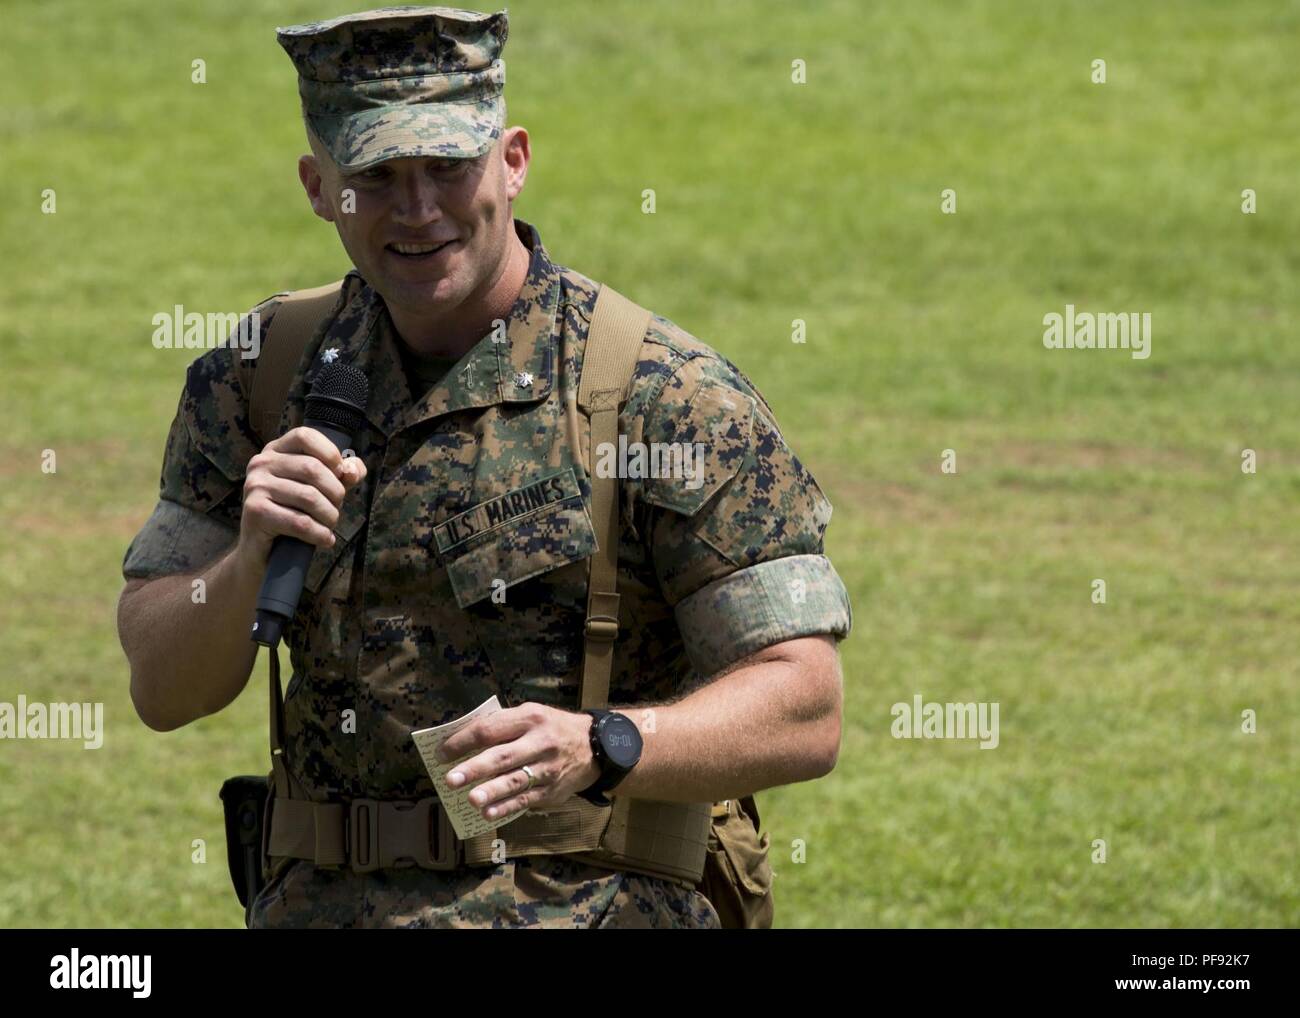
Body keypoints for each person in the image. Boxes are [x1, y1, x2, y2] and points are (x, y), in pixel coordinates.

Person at [116, 5, 852, 929]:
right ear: (319, 187)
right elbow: (161, 685)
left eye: (448, 168)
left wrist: (607, 741)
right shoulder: (263, 376)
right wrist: (246, 563)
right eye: (377, 176)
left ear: (511, 161)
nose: (418, 210)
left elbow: (805, 701)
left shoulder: (657, 392)